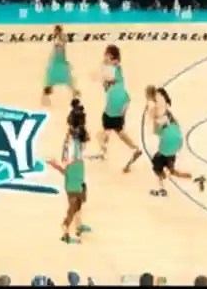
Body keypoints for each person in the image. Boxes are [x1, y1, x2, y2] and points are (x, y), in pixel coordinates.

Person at [145, 88, 205, 196]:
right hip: (177, 140)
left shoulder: (154, 110)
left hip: (168, 143)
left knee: (156, 166)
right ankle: (195, 177)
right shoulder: (168, 113)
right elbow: (176, 126)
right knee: (173, 171)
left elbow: (155, 131)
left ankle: (162, 188)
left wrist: (155, 121)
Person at [46, 100, 91, 244]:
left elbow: (66, 159)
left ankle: (77, 226)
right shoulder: (75, 138)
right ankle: (65, 229)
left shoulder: (73, 137)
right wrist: (55, 165)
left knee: (79, 201)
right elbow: (67, 166)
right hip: (76, 171)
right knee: (74, 205)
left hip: (76, 170)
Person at [95, 46, 142, 172]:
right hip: (122, 101)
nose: (105, 57)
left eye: (107, 55)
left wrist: (99, 76)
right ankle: (135, 148)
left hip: (114, 103)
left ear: (113, 58)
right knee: (118, 130)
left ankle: (103, 152)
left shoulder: (109, 70)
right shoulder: (117, 68)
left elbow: (102, 78)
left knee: (105, 129)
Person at [41, 25, 79, 107]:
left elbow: (60, 48)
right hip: (57, 62)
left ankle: (74, 93)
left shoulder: (61, 39)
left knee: (66, 79)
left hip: (59, 62)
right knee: (55, 80)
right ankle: (74, 92)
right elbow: (56, 50)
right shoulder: (58, 38)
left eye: (56, 31)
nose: (55, 32)